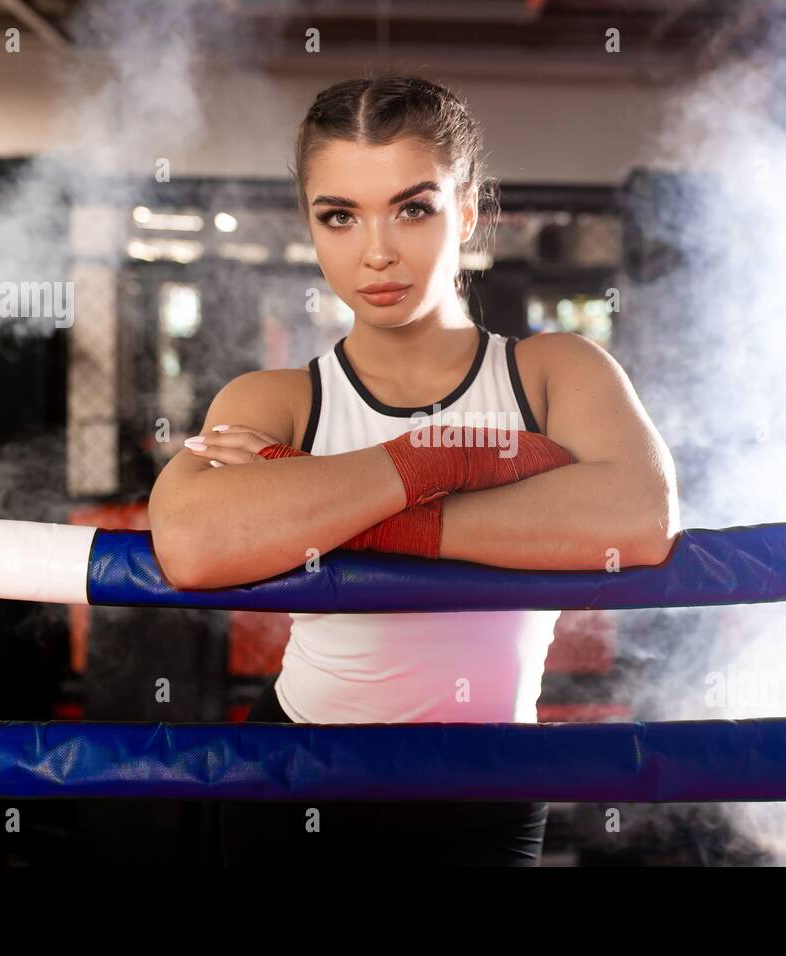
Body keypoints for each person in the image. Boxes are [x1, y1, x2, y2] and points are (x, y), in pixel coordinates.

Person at [148, 73, 680, 866]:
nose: (377, 251)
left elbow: (639, 519)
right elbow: (191, 543)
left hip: (487, 789)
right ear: (311, 226)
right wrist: (440, 459)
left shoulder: (552, 374)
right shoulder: (280, 398)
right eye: (340, 216)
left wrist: (358, 509)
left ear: (467, 209)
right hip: (301, 779)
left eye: (413, 208)